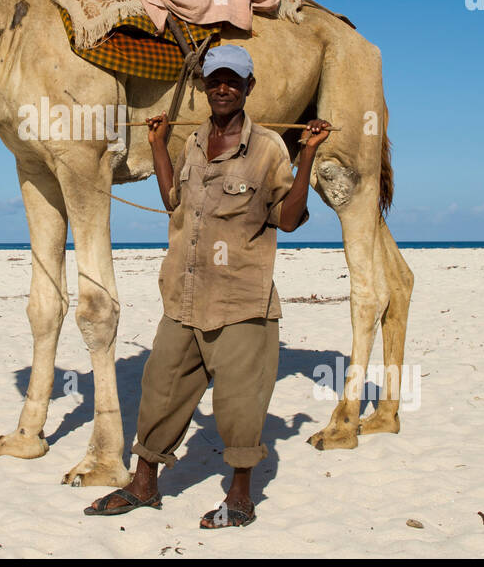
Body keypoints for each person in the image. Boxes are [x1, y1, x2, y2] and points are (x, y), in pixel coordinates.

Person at [84, 45, 331, 528]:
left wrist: (307, 157)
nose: (223, 88)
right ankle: (144, 484)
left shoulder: (268, 149)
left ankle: (240, 497)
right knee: (160, 391)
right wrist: (158, 145)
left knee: (239, 406)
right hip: (183, 297)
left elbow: (291, 218)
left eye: (233, 82)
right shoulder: (193, 142)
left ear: (247, 89)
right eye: (214, 80)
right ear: (202, 86)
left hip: (241, 303)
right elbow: (174, 199)